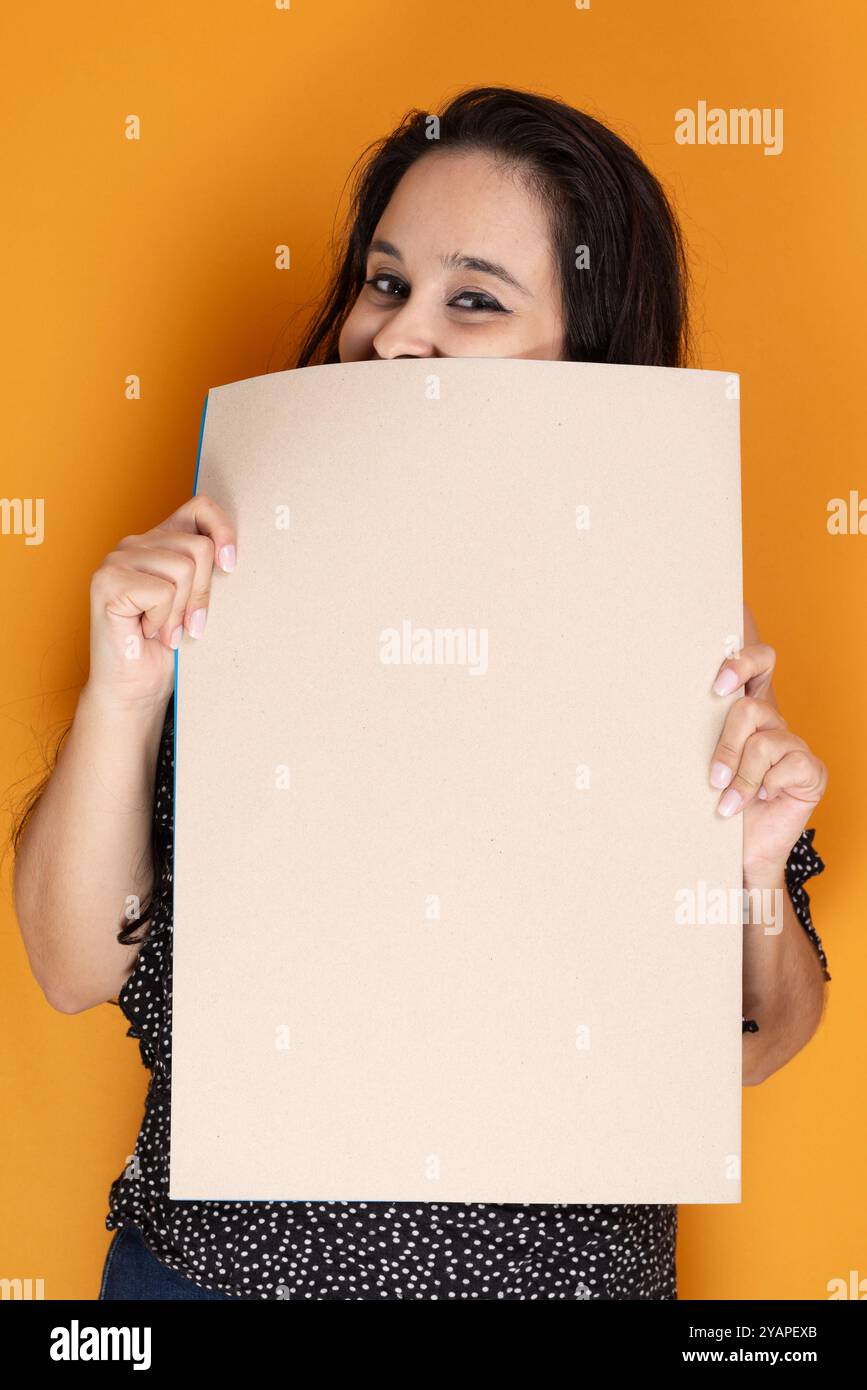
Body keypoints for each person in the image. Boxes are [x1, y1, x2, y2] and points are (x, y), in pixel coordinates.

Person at [12, 85, 830, 1301]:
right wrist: (127, 691)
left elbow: (759, 1046)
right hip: (219, 1283)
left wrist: (754, 874)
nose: (396, 334)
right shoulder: (228, 560)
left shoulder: (675, 608)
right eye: (384, 283)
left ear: (591, 351)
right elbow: (70, 966)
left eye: (475, 299)